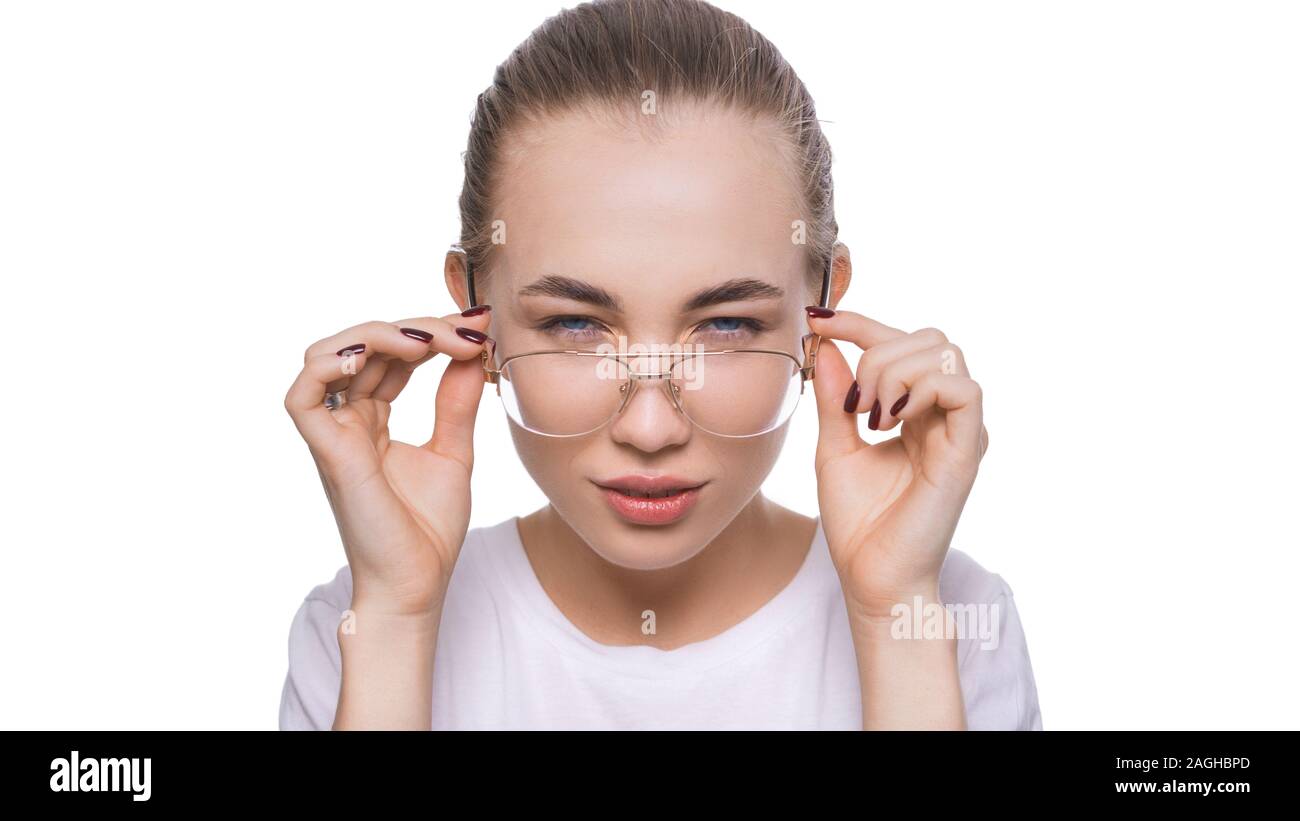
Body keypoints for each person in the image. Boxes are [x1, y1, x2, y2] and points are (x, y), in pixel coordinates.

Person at [279, 0, 1041, 730]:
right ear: (476, 311)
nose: (650, 427)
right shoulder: (361, 621)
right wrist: (398, 617)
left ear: (822, 308)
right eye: (575, 323)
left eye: (727, 324)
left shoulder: (950, 620)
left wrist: (892, 615)